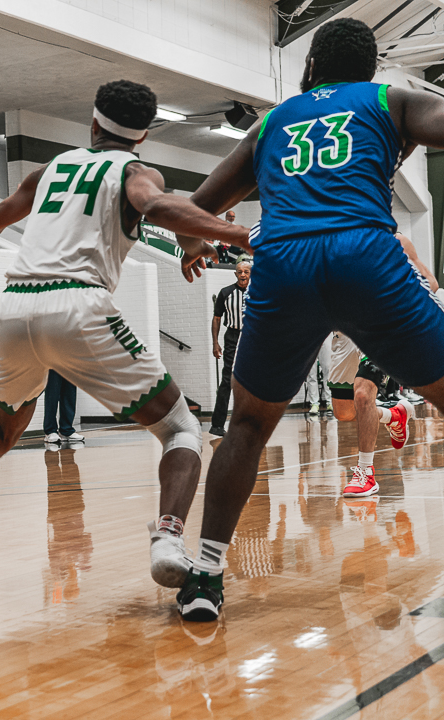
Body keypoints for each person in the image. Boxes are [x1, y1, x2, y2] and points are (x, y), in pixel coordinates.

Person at [0, 80, 251, 588]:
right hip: (78, 303)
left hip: (15, 306)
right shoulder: (136, 171)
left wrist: (51, 212)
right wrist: (239, 234)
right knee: (180, 428)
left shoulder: (50, 169)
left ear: (93, 122)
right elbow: (155, 206)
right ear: (143, 136)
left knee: (1, 430)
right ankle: (169, 540)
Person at [173, 18, 444, 622]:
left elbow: (196, 207)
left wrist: (194, 244)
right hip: (363, 256)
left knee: (247, 425)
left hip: (284, 264)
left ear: (311, 65)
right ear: (371, 69)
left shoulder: (273, 120)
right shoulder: (390, 98)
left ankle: (206, 575)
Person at [326, 234, 433, 497]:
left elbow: (430, 283)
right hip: (344, 333)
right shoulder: (328, 241)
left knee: (363, 395)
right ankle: (394, 415)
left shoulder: (397, 241)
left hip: (380, 329)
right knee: (344, 412)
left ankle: (366, 473)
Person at [208, 260, 250, 436]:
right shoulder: (226, 293)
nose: (242, 274)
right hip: (233, 336)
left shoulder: (258, 293)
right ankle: (217, 425)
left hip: (251, 337)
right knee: (227, 380)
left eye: (246, 271)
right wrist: (215, 343)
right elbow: (217, 318)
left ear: (250, 274)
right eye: (239, 271)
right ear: (235, 274)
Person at [43, 371, 84, 443]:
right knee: (52, 394)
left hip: (71, 365)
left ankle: (66, 430)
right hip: (53, 365)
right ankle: (50, 431)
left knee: (69, 394)